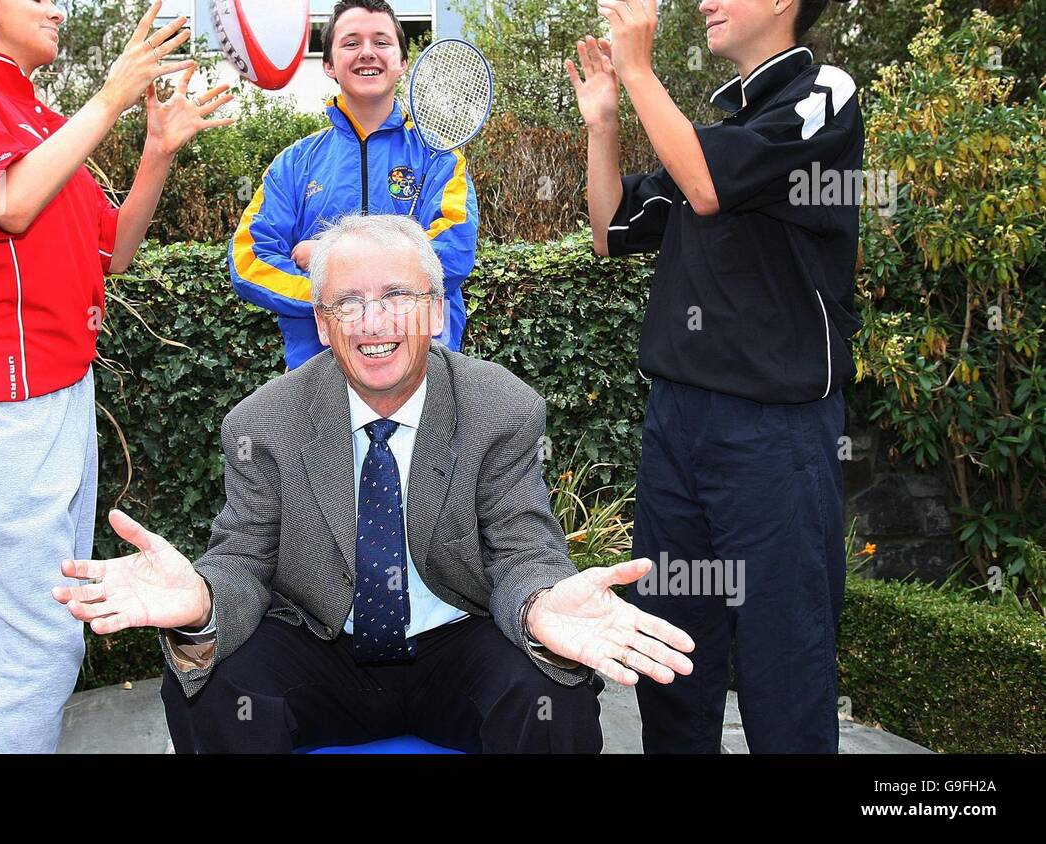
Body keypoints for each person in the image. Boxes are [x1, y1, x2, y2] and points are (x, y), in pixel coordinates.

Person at [54, 214, 695, 753]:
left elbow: (523, 551)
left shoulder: (501, 406)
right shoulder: (262, 422)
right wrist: (199, 604)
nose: (372, 321)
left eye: (396, 296)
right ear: (323, 324)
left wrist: (540, 606)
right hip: (320, 645)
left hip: (457, 638)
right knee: (216, 685)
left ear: (436, 312)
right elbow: (240, 563)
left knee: (550, 693)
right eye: (347, 304)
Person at [0, 0, 234, 753]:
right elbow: (9, 204)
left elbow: (113, 251)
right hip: (3, 395)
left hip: (60, 391)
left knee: (41, 633)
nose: (55, 6)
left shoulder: (42, 116)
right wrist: (113, 99)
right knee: (36, 647)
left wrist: (157, 151)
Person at [566, 0, 866, 753]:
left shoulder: (823, 92)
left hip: (774, 434)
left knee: (785, 658)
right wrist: (603, 123)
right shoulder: (714, 127)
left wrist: (637, 69)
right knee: (673, 648)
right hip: (679, 426)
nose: (706, 0)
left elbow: (704, 185)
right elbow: (610, 230)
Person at [228, 0, 479, 370]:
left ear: (402, 62)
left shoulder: (440, 157)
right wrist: (334, 300)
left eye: (381, 41)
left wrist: (329, 257)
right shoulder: (292, 165)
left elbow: (454, 250)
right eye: (350, 43)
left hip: (422, 368)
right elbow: (248, 260)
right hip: (317, 372)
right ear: (328, 64)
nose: (367, 52)